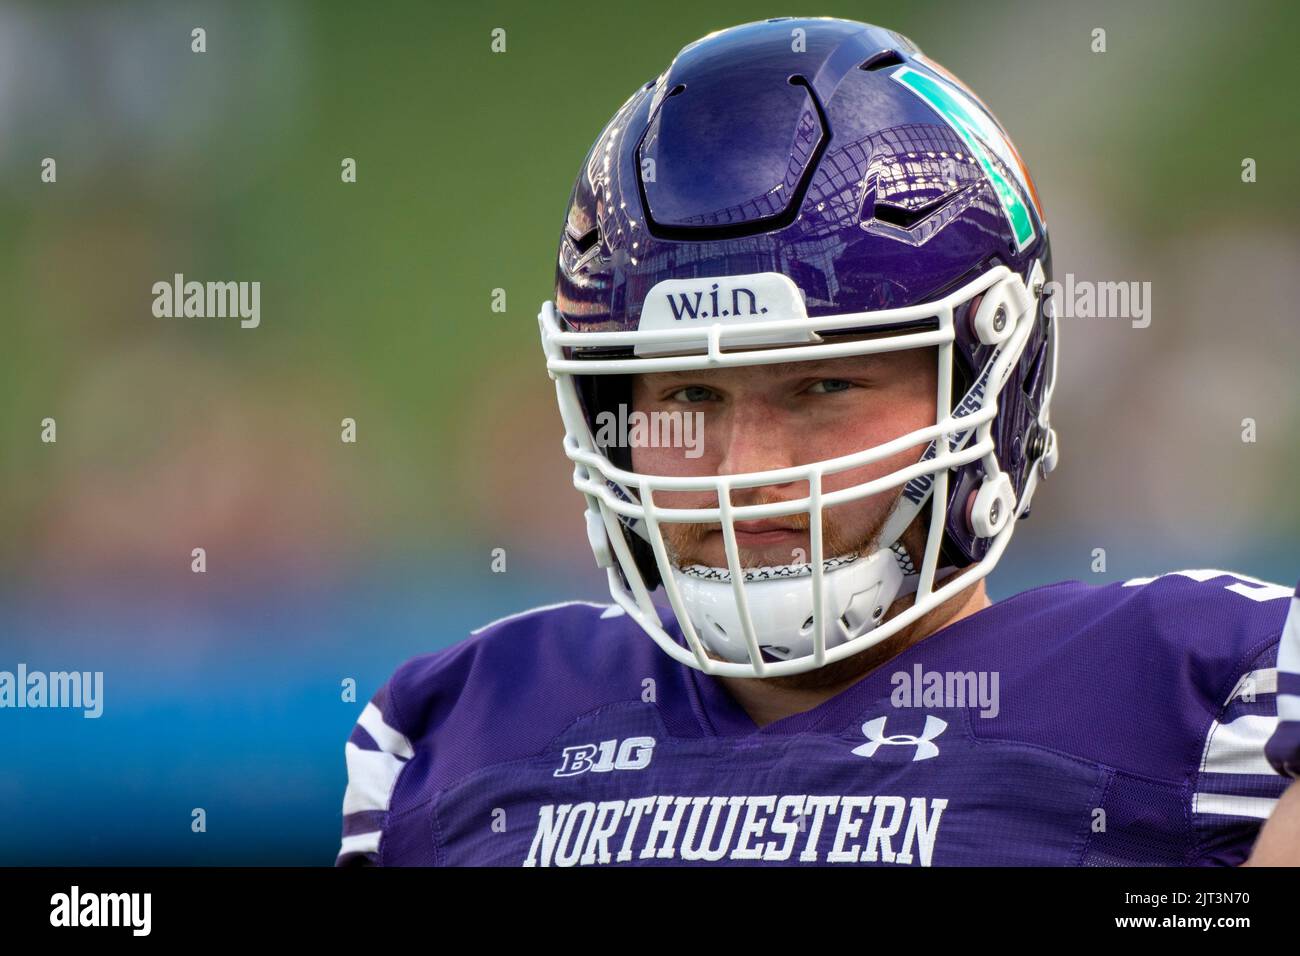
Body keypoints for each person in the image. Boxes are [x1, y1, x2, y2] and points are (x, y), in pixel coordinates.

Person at [337, 16, 1298, 866]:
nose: (746, 472)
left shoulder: (1191, 703)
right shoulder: (463, 731)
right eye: (690, 396)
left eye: (823, 387)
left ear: (988, 377)